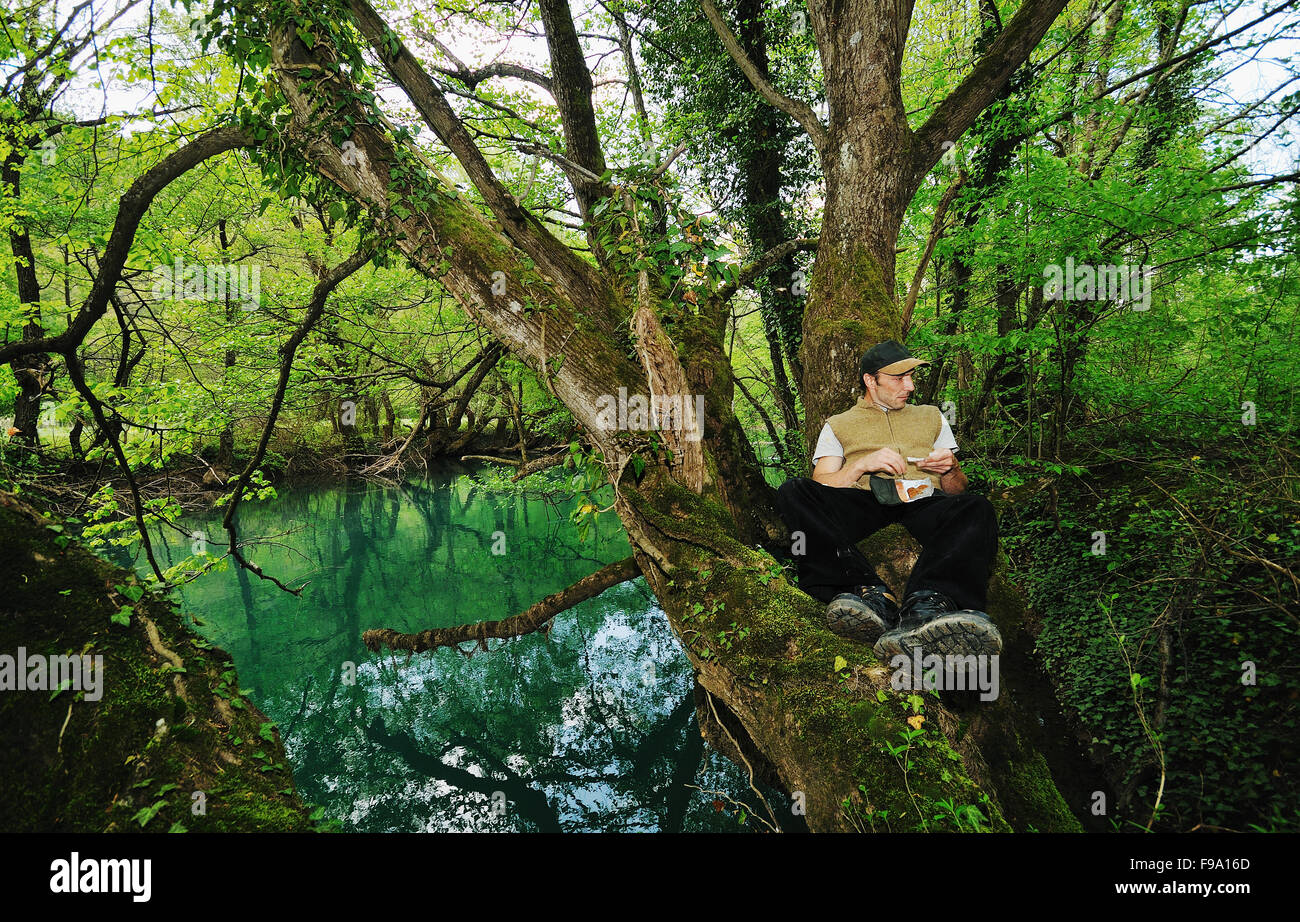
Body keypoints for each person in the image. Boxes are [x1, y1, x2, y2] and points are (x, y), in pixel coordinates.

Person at [775, 340, 1002, 661]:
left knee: (977, 507)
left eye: (911, 376)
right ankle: (866, 591)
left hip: (924, 497)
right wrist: (859, 466)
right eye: (898, 378)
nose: (909, 385)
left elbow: (957, 491)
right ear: (871, 380)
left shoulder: (932, 417)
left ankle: (929, 605)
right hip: (864, 500)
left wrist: (950, 468)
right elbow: (821, 484)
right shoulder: (837, 424)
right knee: (792, 491)